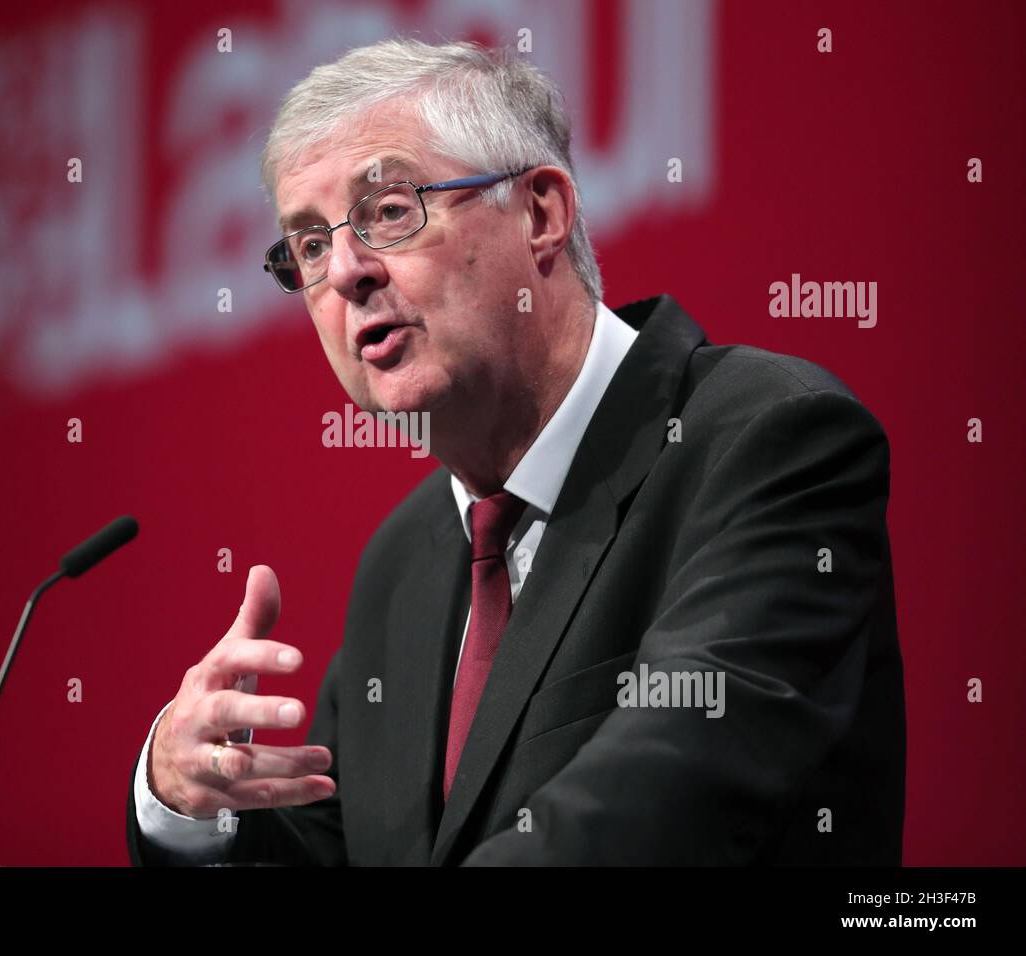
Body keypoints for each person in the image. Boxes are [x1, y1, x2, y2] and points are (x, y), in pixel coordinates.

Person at [125, 38, 905, 866]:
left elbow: (664, 802)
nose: (346, 271)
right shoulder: (403, 563)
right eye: (311, 245)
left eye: (387, 210)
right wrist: (181, 801)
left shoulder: (766, 441)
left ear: (540, 214)